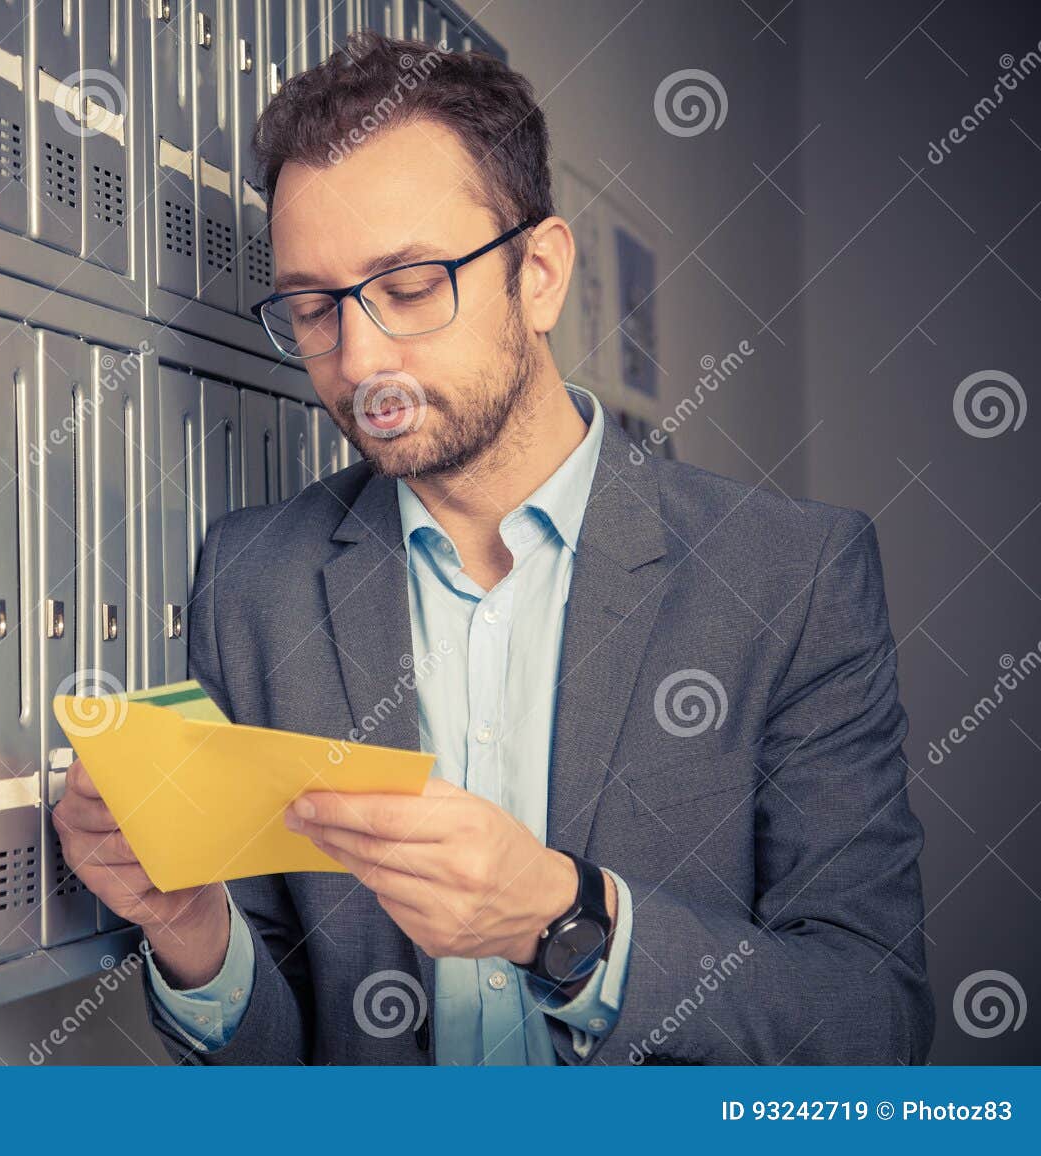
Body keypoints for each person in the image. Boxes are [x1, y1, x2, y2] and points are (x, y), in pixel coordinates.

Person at [53, 31, 934, 1065]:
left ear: (541, 273)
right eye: (312, 306)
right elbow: (290, 1055)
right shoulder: (255, 581)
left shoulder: (789, 576)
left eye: (412, 285)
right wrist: (191, 932)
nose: (360, 357)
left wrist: (563, 922)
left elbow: (869, 1015)